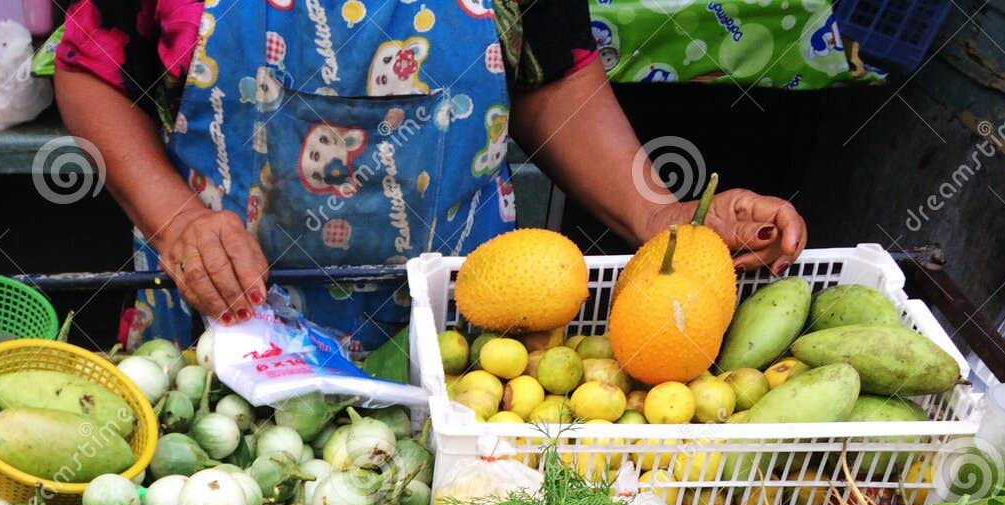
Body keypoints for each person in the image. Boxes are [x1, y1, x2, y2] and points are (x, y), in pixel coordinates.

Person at [53, 0, 808, 350]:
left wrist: (662, 220)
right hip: (220, 328)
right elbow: (92, 70)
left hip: (459, 339)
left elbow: (552, 82)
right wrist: (177, 223)